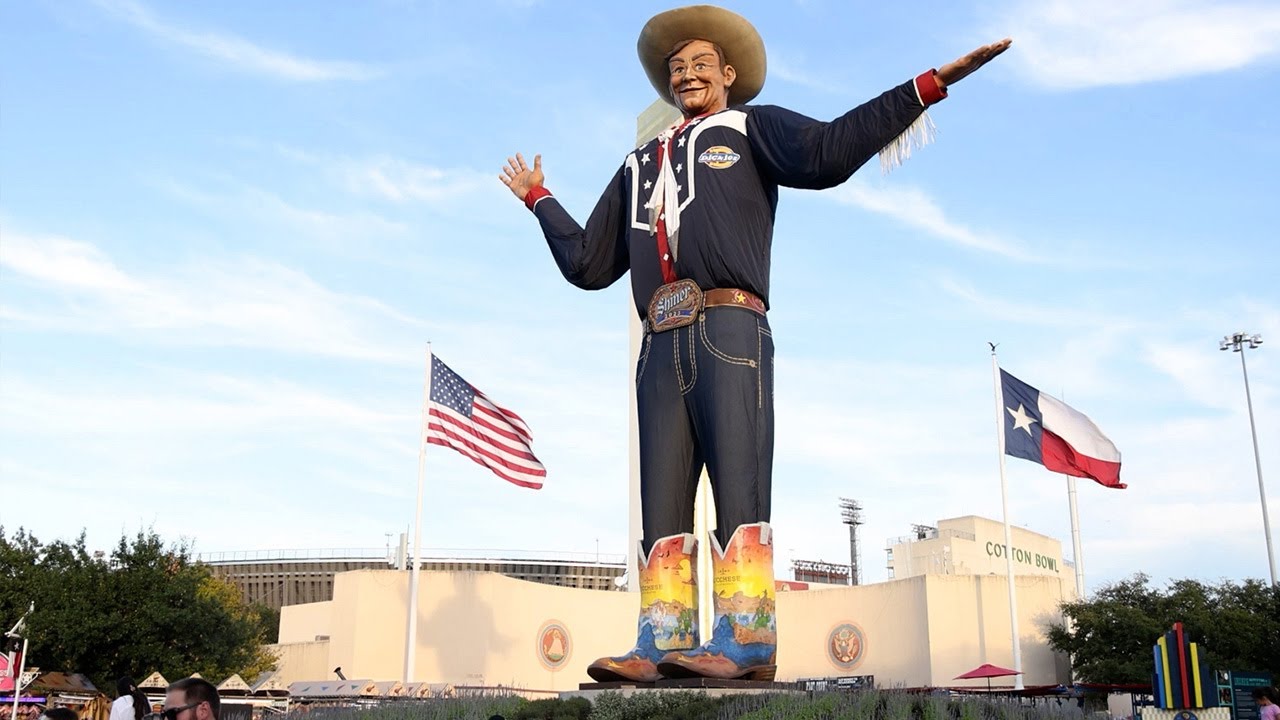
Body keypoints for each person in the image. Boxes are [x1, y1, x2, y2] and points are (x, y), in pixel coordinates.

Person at [500, 4, 1009, 682]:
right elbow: (590, 263)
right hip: (658, 342)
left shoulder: (749, 128)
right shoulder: (638, 164)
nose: (687, 74)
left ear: (729, 75)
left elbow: (827, 151)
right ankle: (661, 641)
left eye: (701, 64)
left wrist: (924, 86)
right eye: (677, 68)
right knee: (662, 502)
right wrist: (541, 199)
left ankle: (746, 640)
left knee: (740, 486)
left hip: (730, 327)